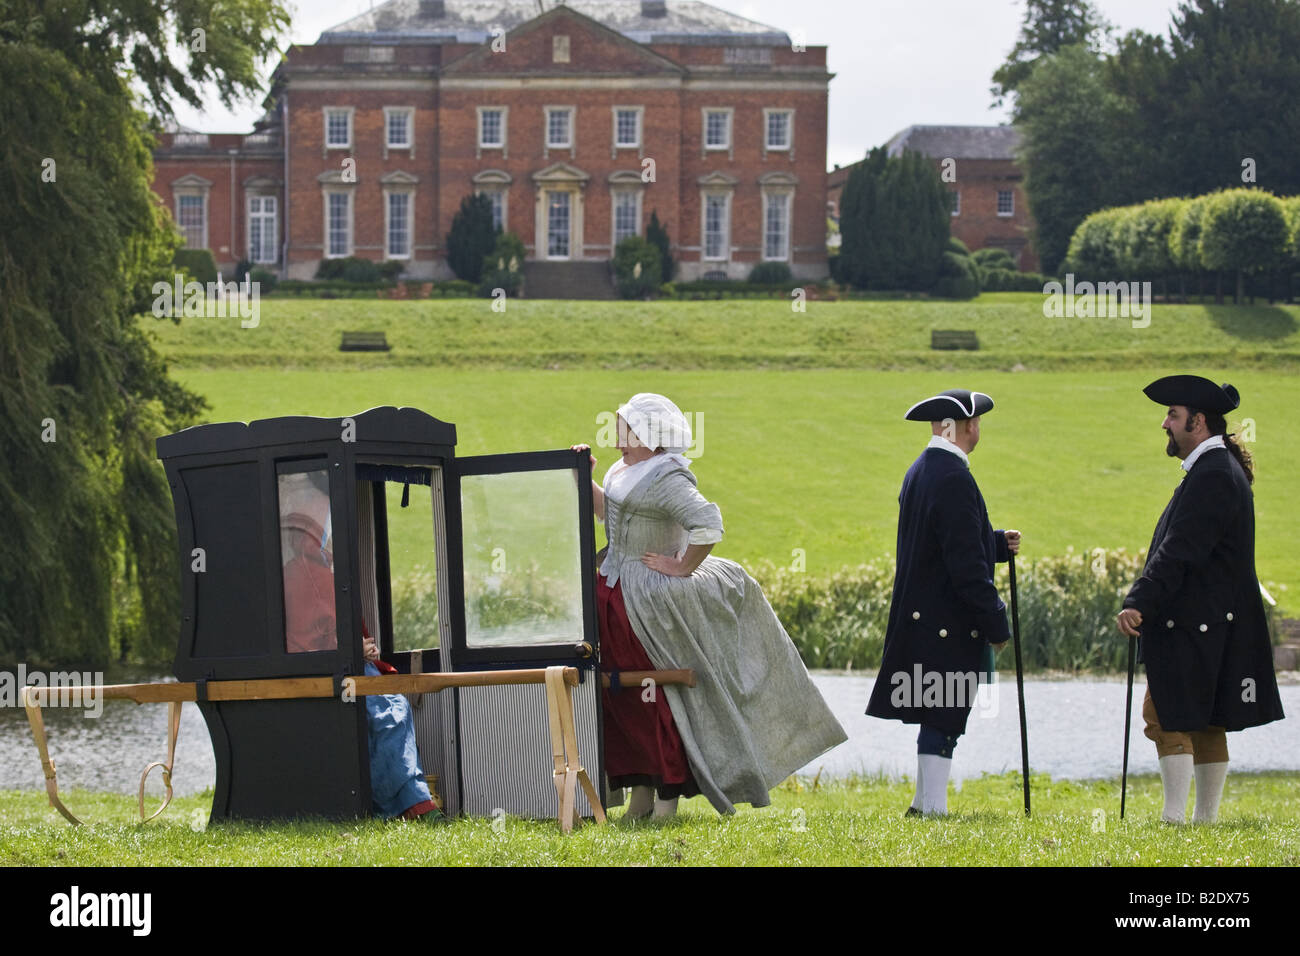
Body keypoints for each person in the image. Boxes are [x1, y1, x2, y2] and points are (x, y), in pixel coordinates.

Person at [574, 393, 846, 819]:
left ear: (651, 435)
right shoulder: (623, 470)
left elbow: (708, 524)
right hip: (613, 594)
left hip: (648, 605)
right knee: (621, 693)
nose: (617, 441)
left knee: (657, 695)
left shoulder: (667, 477)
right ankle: (640, 793)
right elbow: (609, 514)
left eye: (626, 432)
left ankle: (667, 798)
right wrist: (583, 477)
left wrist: (681, 566)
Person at [1116, 375, 1283, 824]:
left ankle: (1175, 819)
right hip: (1213, 620)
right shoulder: (1216, 469)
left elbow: (1180, 550)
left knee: (1164, 712)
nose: (1165, 424)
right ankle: (1202, 822)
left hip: (1194, 621)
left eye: (1172, 415)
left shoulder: (1212, 474)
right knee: (1207, 719)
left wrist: (1139, 601)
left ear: (1199, 421)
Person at [865, 388, 1021, 817]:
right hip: (947, 619)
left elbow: (943, 543)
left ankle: (924, 804)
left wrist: (994, 544)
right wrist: (996, 619)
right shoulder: (953, 475)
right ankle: (932, 808)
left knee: (940, 711)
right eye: (977, 421)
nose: (978, 428)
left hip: (925, 616)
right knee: (944, 713)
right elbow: (964, 565)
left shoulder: (922, 469)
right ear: (966, 426)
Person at [279, 471, 442, 822]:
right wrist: (356, 650)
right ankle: (404, 804)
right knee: (388, 711)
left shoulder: (318, 573)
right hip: (328, 673)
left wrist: (360, 649)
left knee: (389, 705)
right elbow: (314, 637)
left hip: (344, 668)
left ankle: (406, 800)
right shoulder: (308, 575)